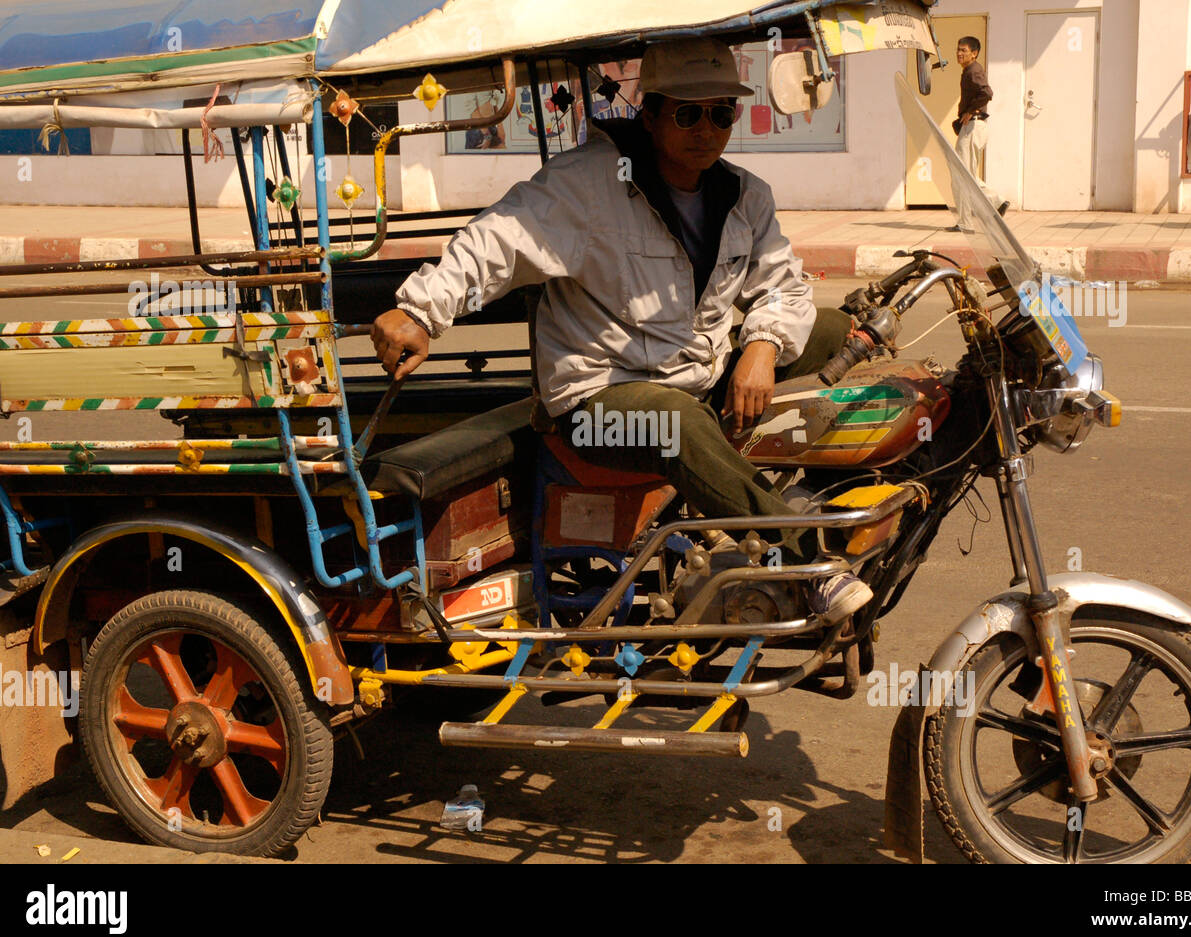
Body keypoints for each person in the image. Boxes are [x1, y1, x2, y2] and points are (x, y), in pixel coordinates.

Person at [370, 38, 871, 624]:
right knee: (677, 423)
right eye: (688, 113)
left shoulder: (744, 196)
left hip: (693, 373)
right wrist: (422, 311)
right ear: (651, 113)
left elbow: (783, 286)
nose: (706, 129)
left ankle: (830, 489)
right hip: (595, 404)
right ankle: (806, 561)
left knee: (836, 329)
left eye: (721, 113)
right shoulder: (589, 184)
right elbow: (496, 242)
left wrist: (761, 347)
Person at [948, 35, 1007, 232]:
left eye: (963, 50)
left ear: (974, 54)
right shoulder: (969, 70)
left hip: (974, 126)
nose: (959, 53)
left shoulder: (974, 71)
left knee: (962, 174)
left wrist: (970, 111)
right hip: (973, 127)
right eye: (958, 49)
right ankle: (993, 204)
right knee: (965, 174)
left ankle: (971, 218)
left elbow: (987, 93)